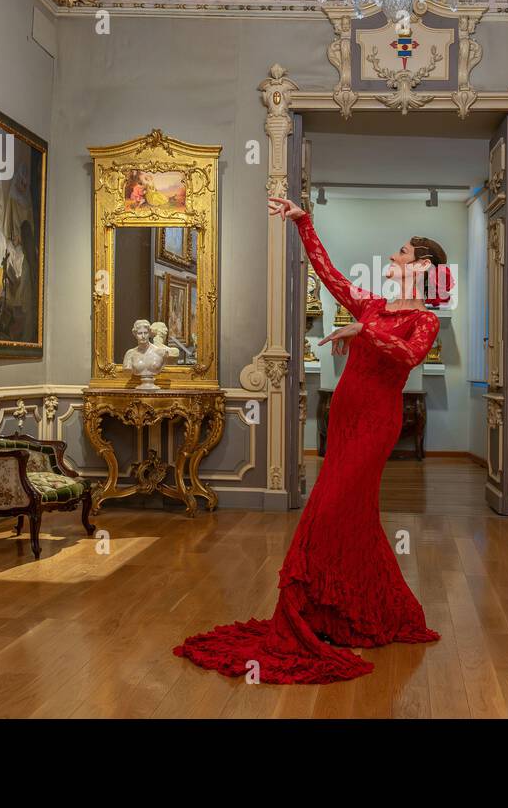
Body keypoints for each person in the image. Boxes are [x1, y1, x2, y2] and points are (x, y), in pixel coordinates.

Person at [171, 196, 445, 683]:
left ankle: (311, 610)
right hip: (344, 414)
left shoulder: (423, 319)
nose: (393, 258)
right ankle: (341, 613)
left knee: (330, 509)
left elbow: (406, 357)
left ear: (423, 265)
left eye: (401, 253)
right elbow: (328, 272)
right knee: (352, 517)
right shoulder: (372, 304)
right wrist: (304, 223)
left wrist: (367, 333)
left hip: (377, 422)